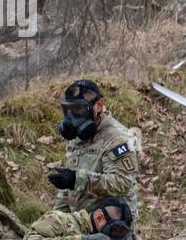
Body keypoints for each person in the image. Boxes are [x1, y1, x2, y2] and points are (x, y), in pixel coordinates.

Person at [49, 79, 139, 222]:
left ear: (99, 105)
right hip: (81, 220)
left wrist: (78, 179)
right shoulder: (76, 136)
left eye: (79, 109)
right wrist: (56, 217)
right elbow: (69, 187)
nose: (72, 116)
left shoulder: (117, 139)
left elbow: (122, 183)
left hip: (113, 224)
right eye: (69, 110)